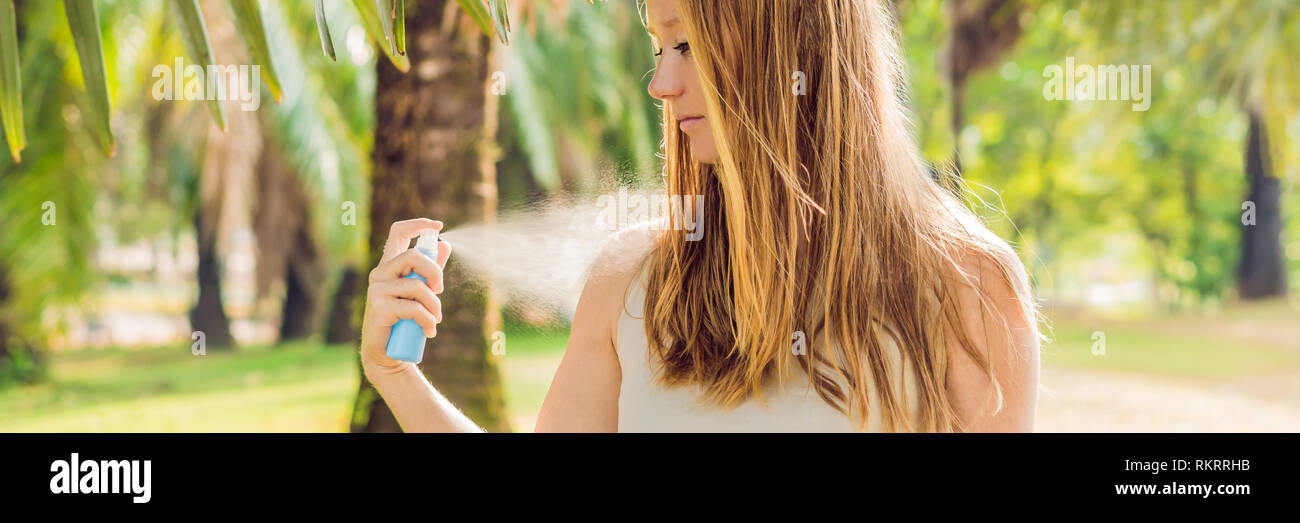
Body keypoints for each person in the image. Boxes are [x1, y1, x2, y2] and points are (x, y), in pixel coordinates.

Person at [356, 0, 1041, 433]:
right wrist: (399, 381)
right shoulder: (628, 284)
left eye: (684, 44)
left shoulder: (970, 289)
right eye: (659, 47)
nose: (661, 83)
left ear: (793, 39)